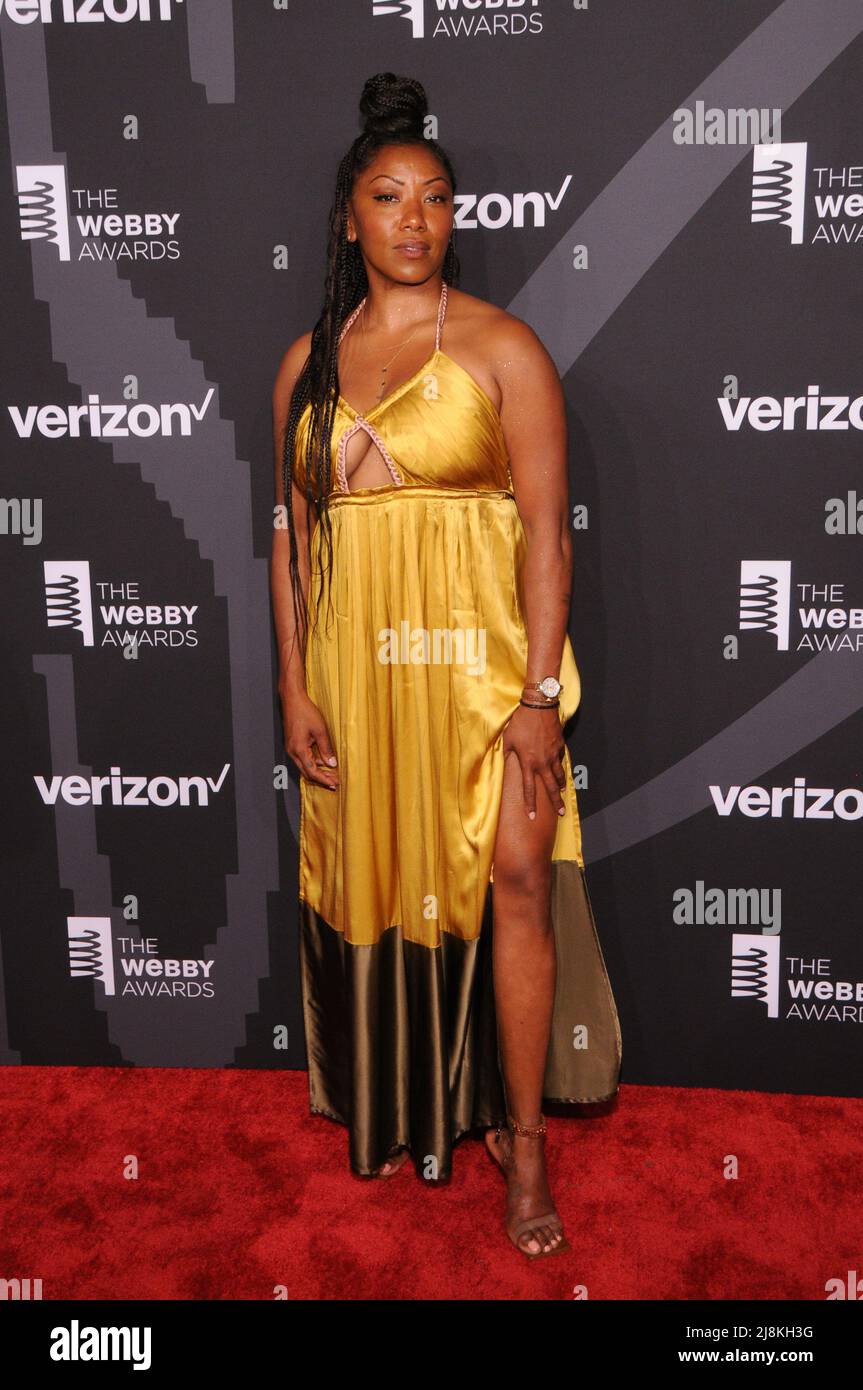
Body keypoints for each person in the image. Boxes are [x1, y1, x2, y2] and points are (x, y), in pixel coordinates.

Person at [271, 72, 621, 1260]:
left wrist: (535, 696)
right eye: (386, 196)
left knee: (517, 883)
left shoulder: (501, 346)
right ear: (347, 219)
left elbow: (545, 533)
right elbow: (295, 543)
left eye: (432, 197)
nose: (412, 219)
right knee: (382, 892)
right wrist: (292, 683)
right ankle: (408, 1105)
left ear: (453, 217)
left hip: (484, 686)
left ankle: (522, 1145)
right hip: (360, 690)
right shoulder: (302, 369)